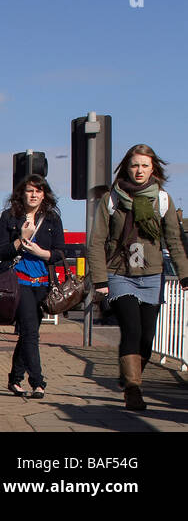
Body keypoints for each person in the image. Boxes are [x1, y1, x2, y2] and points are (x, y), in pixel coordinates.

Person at [87, 144, 188, 411]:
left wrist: (185, 274)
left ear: (153, 167)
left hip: (153, 275)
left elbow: (174, 241)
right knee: (131, 330)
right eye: (134, 165)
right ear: (126, 167)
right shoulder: (111, 200)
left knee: (147, 337)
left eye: (144, 165)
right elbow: (96, 242)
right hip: (120, 273)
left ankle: (129, 372)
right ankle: (133, 389)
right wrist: (100, 279)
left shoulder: (162, 199)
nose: (139, 170)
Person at [0, 174, 65, 399]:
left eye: (38, 190)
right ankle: (38, 382)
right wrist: (20, 239)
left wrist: (42, 253)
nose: (34, 195)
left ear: (44, 194)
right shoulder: (9, 217)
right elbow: (0, 251)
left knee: (28, 333)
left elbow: (60, 253)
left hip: (43, 283)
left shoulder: (52, 219)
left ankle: (14, 380)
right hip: (18, 282)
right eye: (29, 190)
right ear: (21, 194)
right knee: (31, 333)